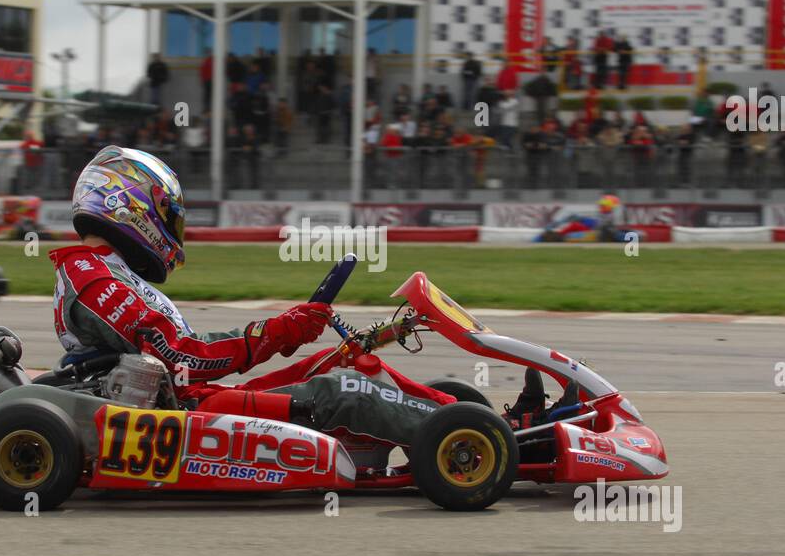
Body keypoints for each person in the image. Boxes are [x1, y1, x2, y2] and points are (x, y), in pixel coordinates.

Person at [49, 146, 473, 450]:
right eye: (169, 217)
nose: (172, 233)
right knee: (343, 391)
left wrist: (285, 333)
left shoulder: (105, 270)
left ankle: (461, 416)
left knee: (338, 362)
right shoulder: (91, 276)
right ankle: (468, 439)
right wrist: (277, 330)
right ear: (131, 203)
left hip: (192, 399)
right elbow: (184, 358)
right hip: (181, 415)